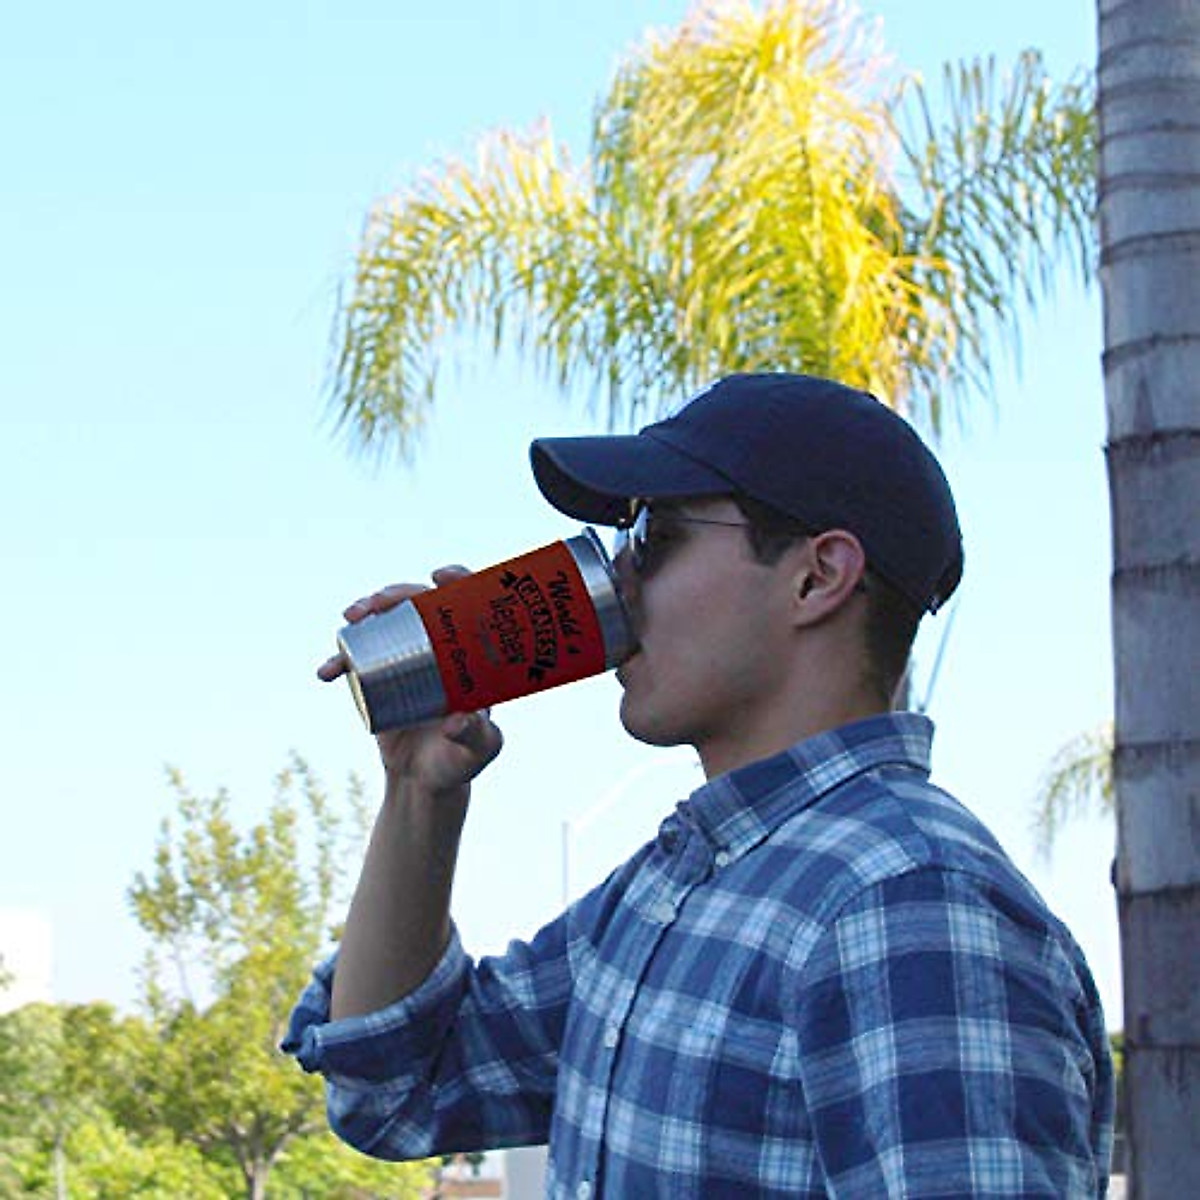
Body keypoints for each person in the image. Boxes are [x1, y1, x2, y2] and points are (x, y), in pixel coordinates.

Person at [284, 373, 1114, 1197]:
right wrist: (420, 791)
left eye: (655, 535)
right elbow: (395, 1092)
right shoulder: (676, 886)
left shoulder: (911, 906)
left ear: (817, 577)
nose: (616, 579)